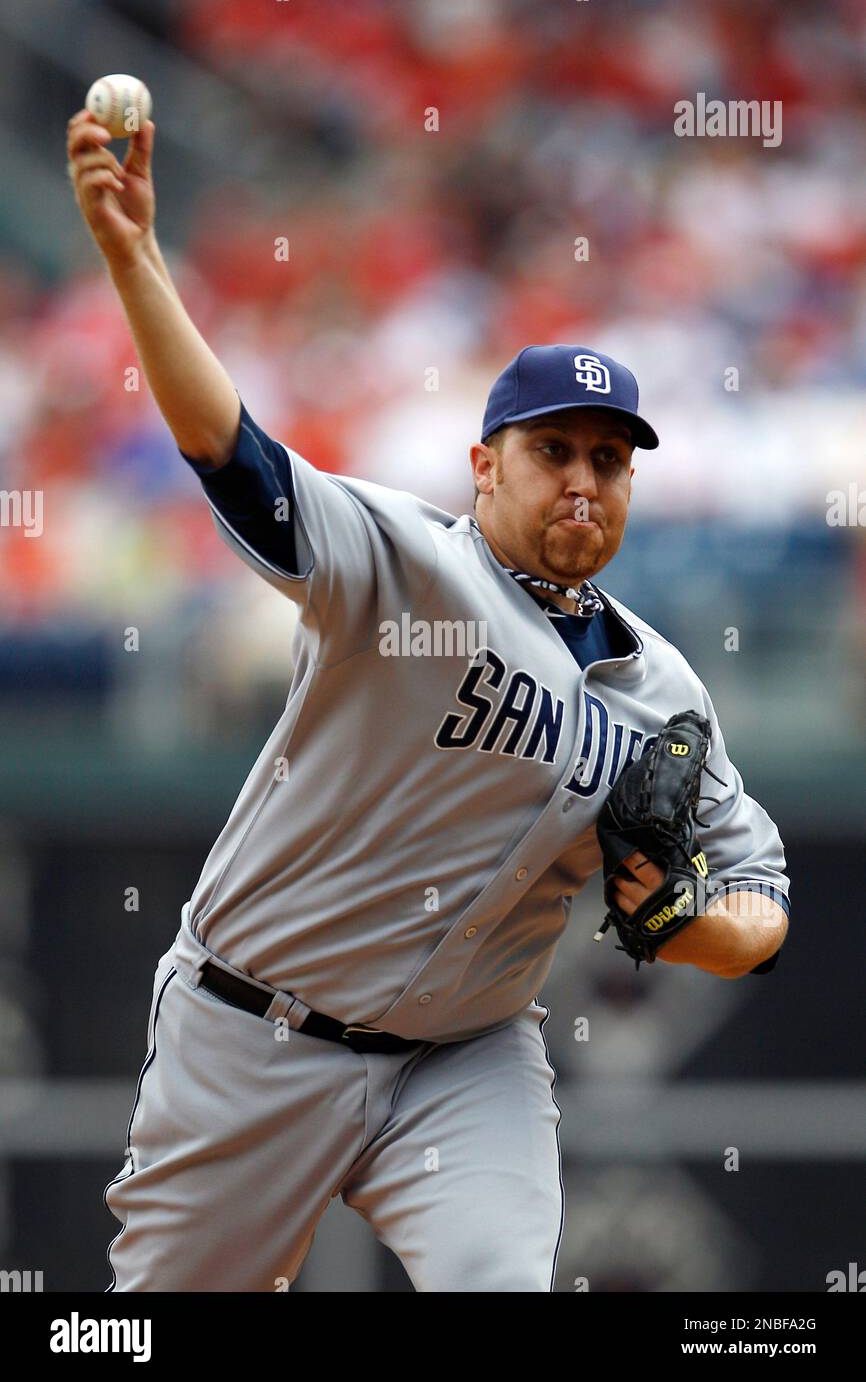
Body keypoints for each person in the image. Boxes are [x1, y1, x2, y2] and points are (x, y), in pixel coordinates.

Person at [67, 111, 789, 1293]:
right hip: (254, 1029)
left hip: (466, 1057)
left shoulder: (663, 688)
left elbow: (759, 901)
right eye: (551, 448)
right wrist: (136, 260)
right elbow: (231, 452)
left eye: (608, 459)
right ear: (483, 463)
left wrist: (688, 918)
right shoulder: (406, 565)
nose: (580, 478)